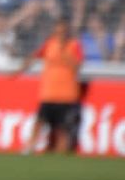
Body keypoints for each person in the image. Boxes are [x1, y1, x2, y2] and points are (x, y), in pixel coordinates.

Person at [13, 16, 85, 154]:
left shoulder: (74, 45)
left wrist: (66, 55)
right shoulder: (49, 44)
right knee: (39, 122)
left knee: (63, 129)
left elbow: (78, 67)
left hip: (67, 95)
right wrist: (19, 71)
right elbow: (34, 57)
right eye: (58, 31)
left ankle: (61, 154)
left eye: (63, 31)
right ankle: (29, 148)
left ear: (67, 31)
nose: (60, 34)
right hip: (48, 93)